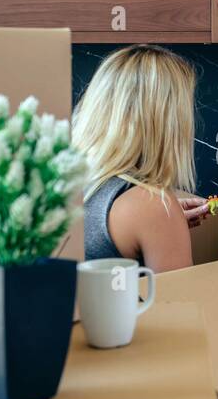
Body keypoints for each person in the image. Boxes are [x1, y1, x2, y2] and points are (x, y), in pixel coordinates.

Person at [74, 44, 210, 271]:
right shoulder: (153, 205)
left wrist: (165, 227)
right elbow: (179, 304)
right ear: (167, 120)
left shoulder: (62, 181)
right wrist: (164, 221)